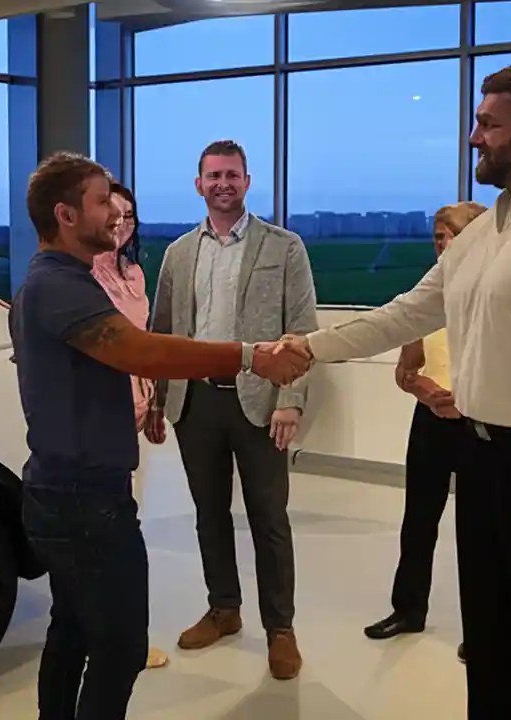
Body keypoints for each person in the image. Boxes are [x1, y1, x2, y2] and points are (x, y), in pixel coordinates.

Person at [276, 62, 511, 719]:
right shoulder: (486, 232)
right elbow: (406, 313)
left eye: (487, 123)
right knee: (491, 637)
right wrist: (309, 348)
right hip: (482, 454)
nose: (474, 137)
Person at [10, 151, 309, 720]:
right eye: (102, 202)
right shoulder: (60, 286)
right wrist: (250, 356)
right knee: (120, 646)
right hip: (85, 499)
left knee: (72, 627)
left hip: (65, 489)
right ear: (65, 215)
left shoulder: (50, 282)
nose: (116, 214)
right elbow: (144, 348)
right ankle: (223, 606)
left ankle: (278, 626)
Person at [148, 139, 318, 681]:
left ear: (248, 182)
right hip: (195, 402)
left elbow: (302, 330)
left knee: (270, 519)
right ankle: (223, 608)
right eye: (214, 175)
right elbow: (162, 333)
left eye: (232, 175)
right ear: (198, 184)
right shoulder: (178, 253)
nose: (223, 183)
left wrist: (291, 401)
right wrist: (158, 397)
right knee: (209, 514)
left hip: (261, 403)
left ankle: (280, 629)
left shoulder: (284, 247)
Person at [362, 201, 486, 667]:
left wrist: (467, 399)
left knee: (479, 530)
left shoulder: (495, 299)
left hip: (480, 425)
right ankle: (408, 609)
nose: (443, 244)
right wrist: (425, 390)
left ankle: (484, 629)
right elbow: (405, 371)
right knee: (418, 520)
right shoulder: (425, 300)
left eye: (452, 235)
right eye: (437, 237)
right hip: (432, 421)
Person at [90, 180, 169, 671]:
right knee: (105, 533)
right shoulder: (83, 276)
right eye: (112, 214)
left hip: (133, 413)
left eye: (129, 216)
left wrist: (154, 401)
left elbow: (144, 340)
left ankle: (123, 636)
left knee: (124, 523)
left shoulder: (133, 273)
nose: (120, 224)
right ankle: (112, 640)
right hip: (98, 416)